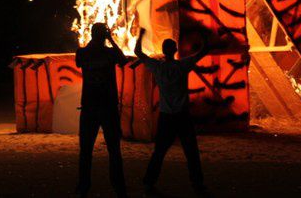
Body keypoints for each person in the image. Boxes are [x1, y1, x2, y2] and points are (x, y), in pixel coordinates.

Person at [134, 27, 210, 196]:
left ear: (163, 51)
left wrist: (140, 36)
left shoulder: (157, 67)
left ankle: (149, 182)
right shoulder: (183, 65)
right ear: (175, 50)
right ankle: (197, 183)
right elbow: (204, 51)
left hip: (166, 116)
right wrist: (203, 35)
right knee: (191, 151)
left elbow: (137, 52)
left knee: (159, 152)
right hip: (182, 115)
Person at [75, 22, 128, 198]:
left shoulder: (83, 52)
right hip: (105, 107)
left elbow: (122, 60)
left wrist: (105, 39)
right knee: (113, 150)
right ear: (102, 34)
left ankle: (84, 187)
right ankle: (118, 187)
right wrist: (111, 39)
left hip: (92, 108)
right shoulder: (108, 52)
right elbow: (123, 60)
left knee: (87, 151)